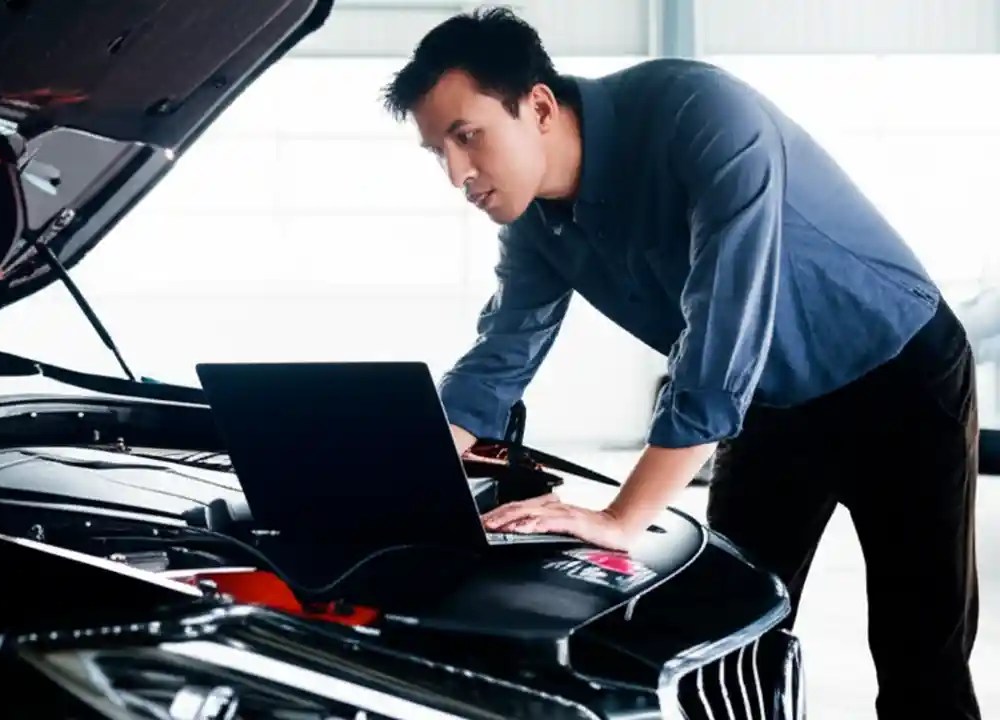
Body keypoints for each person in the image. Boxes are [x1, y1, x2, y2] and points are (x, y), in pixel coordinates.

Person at [380, 7, 979, 719]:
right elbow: (499, 359)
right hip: (769, 405)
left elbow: (721, 336)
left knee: (920, 659)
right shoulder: (535, 223)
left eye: (466, 136)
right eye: (437, 153)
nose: (456, 174)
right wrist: (402, 486)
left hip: (901, 380)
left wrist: (621, 517)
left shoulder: (701, 114)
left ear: (537, 106)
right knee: (726, 638)